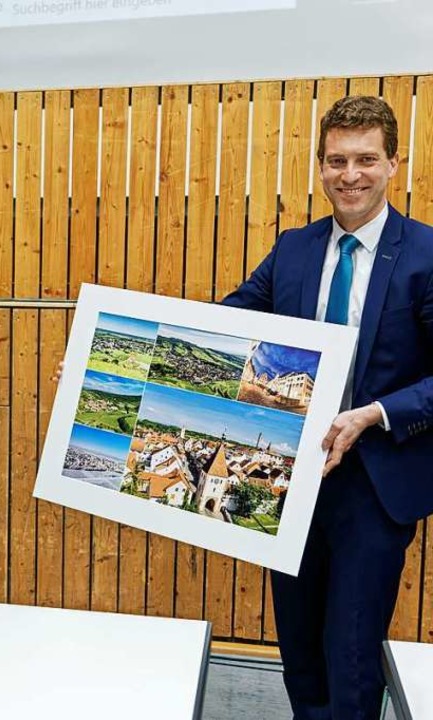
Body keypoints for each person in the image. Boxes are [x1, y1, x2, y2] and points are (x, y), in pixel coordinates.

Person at [222, 96, 433, 719]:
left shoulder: (427, 254)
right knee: (300, 651)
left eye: (366, 159)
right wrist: (107, 353)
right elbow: (225, 323)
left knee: (352, 653)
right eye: (337, 161)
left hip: (373, 482)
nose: (351, 175)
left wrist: (374, 413)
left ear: (394, 164)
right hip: (290, 480)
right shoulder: (293, 248)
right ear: (319, 166)